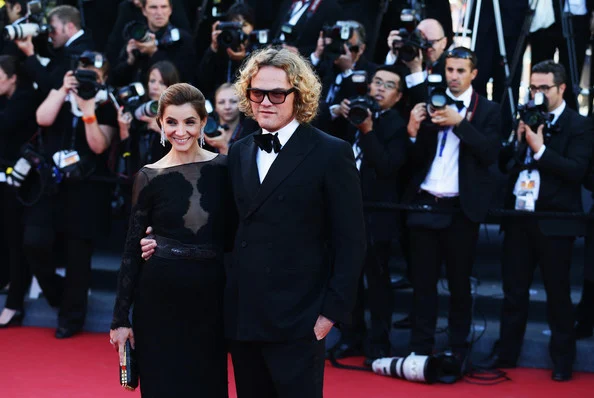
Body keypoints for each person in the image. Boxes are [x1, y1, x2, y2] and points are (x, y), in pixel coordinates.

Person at [141, 47, 366, 398]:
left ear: (299, 95)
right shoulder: (241, 150)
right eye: (257, 92)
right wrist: (165, 238)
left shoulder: (331, 152)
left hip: (299, 319)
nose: (266, 101)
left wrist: (330, 315)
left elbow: (351, 240)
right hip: (244, 316)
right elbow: (222, 224)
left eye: (277, 93)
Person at [110, 83, 230, 397]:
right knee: (162, 386)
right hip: (159, 296)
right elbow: (131, 249)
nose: (180, 131)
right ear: (160, 123)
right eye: (172, 122)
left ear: (204, 122)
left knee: (207, 385)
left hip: (210, 297)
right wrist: (120, 319)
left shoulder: (224, 169)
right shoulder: (149, 176)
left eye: (189, 121)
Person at [491, 60, 593, 381]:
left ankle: (562, 359)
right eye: (532, 87)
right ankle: (506, 352)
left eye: (543, 88)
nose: (537, 94)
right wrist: (519, 142)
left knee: (558, 293)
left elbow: (577, 170)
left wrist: (540, 149)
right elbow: (504, 164)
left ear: (562, 89)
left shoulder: (580, 126)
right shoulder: (524, 114)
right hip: (519, 218)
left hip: (555, 220)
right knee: (513, 291)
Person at [403, 47, 501, 365]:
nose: (454, 76)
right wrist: (414, 132)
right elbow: (415, 161)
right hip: (425, 203)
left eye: (460, 71)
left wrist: (460, 123)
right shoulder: (431, 101)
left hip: (461, 209)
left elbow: (490, 155)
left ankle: (457, 349)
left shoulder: (488, 110)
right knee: (422, 284)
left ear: (474, 73)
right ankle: (420, 347)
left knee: (460, 285)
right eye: (449, 70)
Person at [25, 52, 117, 339]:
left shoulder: (105, 105)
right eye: (82, 73)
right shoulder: (61, 95)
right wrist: (63, 89)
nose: (86, 79)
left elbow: (99, 146)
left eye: (94, 75)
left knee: (79, 255)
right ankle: (58, 295)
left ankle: (72, 317)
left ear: (104, 79)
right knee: (34, 241)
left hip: (86, 187)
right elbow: (42, 118)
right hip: (52, 184)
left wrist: (88, 108)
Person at [328, 64, 408, 364]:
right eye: (377, 82)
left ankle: (379, 341)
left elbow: (388, 166)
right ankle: (350, 337)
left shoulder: (397, 124)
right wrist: (337, 112)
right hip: (346, 210)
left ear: (398, 96)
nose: (379, 88)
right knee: (348, 280)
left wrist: (369, 132)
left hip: (378, 214)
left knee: (377, 283)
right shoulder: (352, 114)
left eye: (388, 85)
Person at [0, 55, 38, 327]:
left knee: (15, 241)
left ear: (13, 77)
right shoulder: (6, 98)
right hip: (4, 178)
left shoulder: (24, 99)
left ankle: (15, 304)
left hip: (19, 181)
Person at [111, 0, 197, 86]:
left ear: (170, 10)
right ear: (144, 11)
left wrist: (154, 52)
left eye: (164, 7)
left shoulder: (183, 39)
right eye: (153, 7)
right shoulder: (136, 36)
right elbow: (115, 81)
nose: (159, 13)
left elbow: (183, 77)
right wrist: (130, 61)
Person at [16, 5, 94, 97]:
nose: (50, 35)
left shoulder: (78, 52)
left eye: (53, 30)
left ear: (70, 27)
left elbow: (50, 86)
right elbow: (50, 52)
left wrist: (30, 54)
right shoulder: (78, 43)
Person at [203, 82, 256, 155]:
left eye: (233, 102)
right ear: (215, 106)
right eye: (221, 102)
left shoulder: (253, 132)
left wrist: (223, 147)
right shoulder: (206, 129)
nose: (227, 107)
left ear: (241, 105)